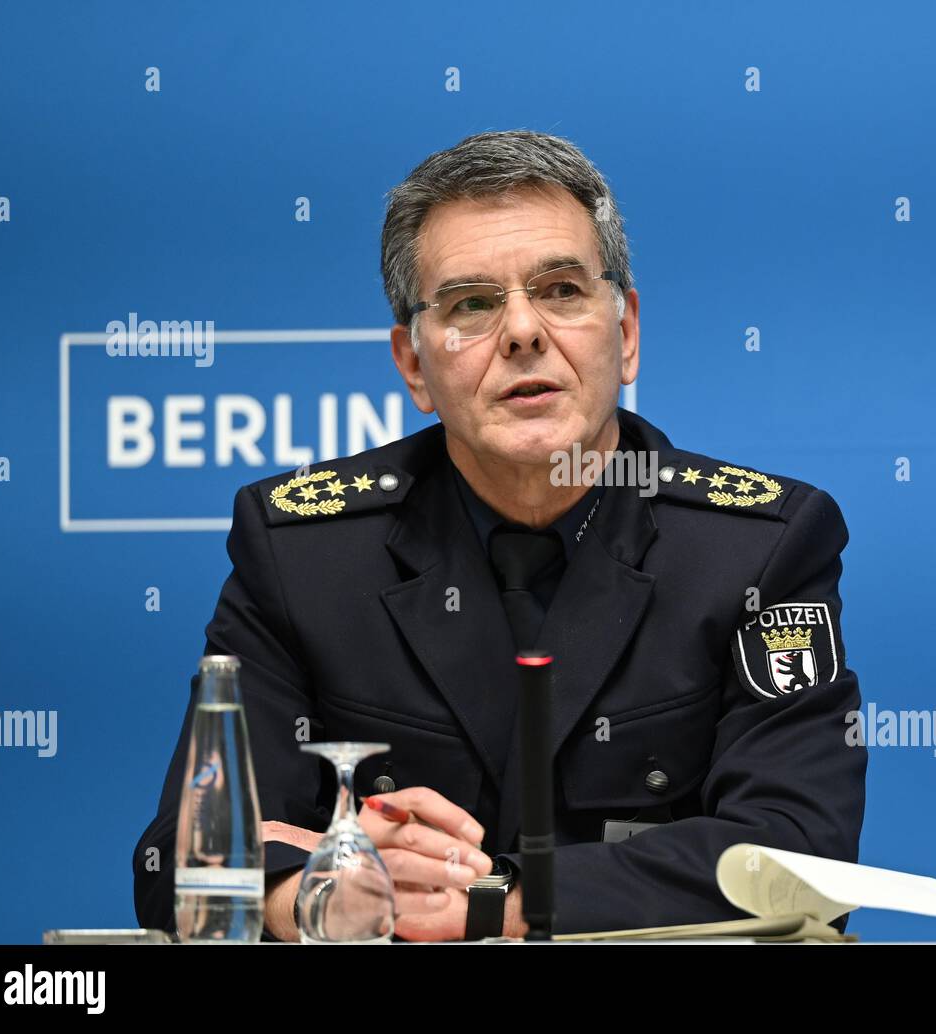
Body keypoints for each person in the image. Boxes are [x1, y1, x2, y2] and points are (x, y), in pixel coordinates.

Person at [133, 129, 867, 942]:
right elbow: (182, 860)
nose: (522, 331)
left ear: (624, 334)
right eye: (472, 304)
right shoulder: (304, 553)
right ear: (413, 366)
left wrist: (494, 900)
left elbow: (804, 855)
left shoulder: (758, 548)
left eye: (559, 290)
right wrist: (313, 895)